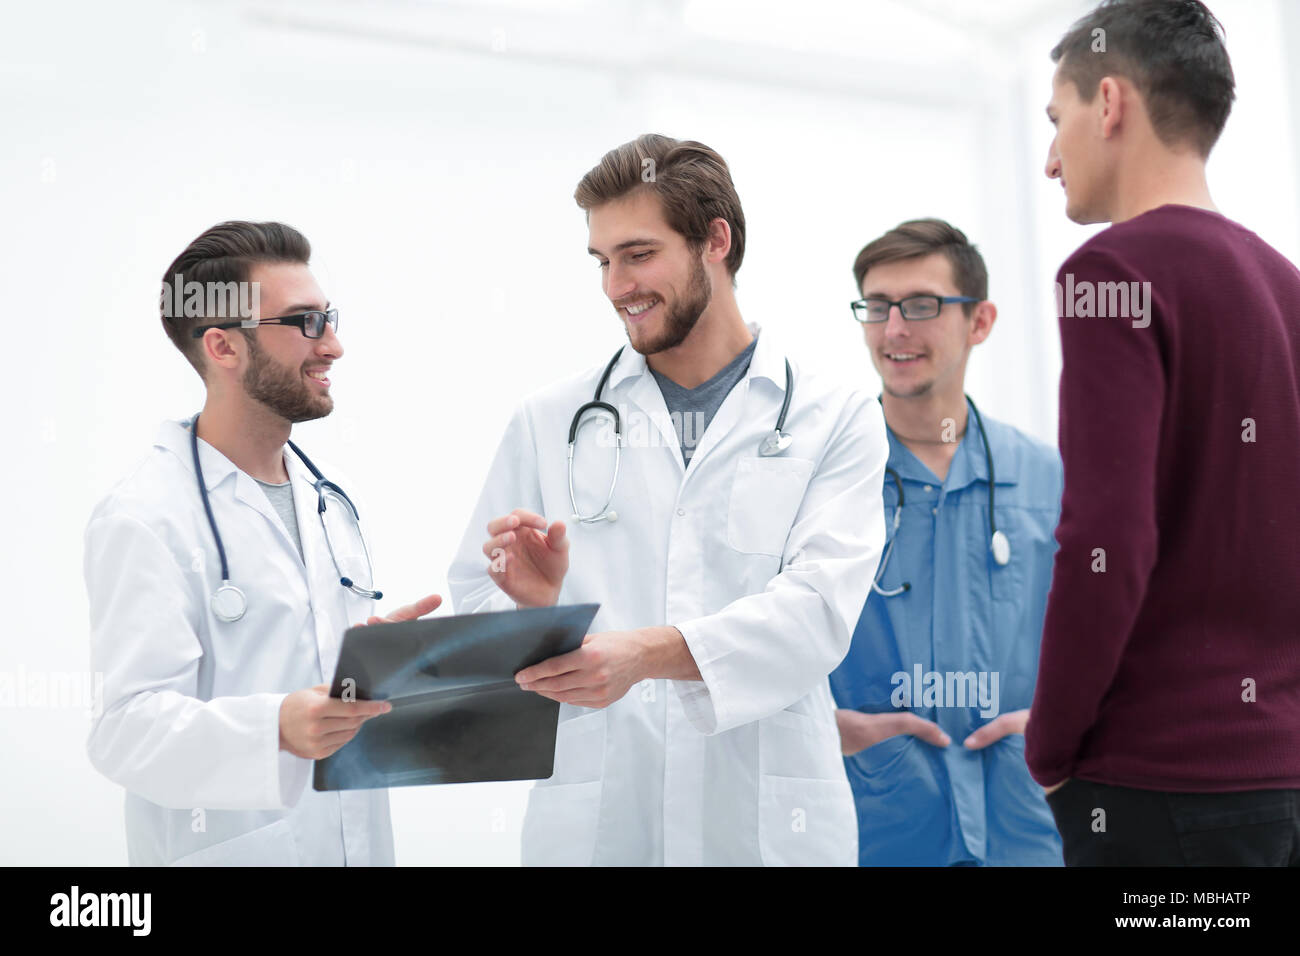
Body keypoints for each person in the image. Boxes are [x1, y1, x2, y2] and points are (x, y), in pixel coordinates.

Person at [447, 134, 889, 866]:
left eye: (638, 253)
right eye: (602, 261)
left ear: (715, 240)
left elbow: (816, 612)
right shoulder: (550, 420)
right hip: (599, 821)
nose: (616, 285)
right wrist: (535, 613)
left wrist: (645, 655)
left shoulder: (831, 416)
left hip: (765, 824)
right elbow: (473, 610)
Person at [1028, 0, 1300, 865]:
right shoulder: (1286, 287)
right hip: (1280, 779)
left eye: (1056, 119)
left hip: (1157, 791)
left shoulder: (1110, 272)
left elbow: (1108, 536)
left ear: (1109, 103)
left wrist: (1051, 746)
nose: (1048, 159)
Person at [84, 221, 439, 865]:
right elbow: (124, 731)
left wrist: (373, 663)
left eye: (329, 317)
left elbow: (307, 671)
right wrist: (273, 727)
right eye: (305, 322)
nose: (333, 345)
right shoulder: (145, 515)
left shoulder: (326, 498)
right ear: (223, 346)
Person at [830, 219, 1064, 866]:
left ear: (979, 322)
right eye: (877, 308)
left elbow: (1113, 641)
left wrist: (1060, 730)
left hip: (1023, 828)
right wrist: (829, 732)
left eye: (923, 306)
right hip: (877, 826)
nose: (895, 329)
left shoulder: (1047, 478)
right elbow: (762, 645)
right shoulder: (824, 484)